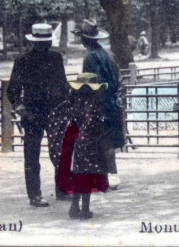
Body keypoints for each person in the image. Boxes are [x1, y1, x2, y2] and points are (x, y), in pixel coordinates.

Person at [7, 22, 69, 207]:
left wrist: (68, 105)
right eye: (42, 42)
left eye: (48, 41)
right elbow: (13, 91)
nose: (46, 45)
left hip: (55, 111)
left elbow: (63, 85)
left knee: (59, 152)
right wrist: (22, 110)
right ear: (34, 42)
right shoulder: (22, 61)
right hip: (32, 113)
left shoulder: (56, 58)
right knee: (32, 156)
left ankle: (62, 189)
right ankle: (34, 195)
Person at [47, 73, 109, 221]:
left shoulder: (72, 102)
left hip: (72, 142)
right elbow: (92, 125)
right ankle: (85, 210)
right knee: (85, 176)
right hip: (86, 143)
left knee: (76, 175)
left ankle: (74, 206)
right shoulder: (93, 105)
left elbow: (56, 114)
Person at [74, 19, 124, 189]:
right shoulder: (108, 54)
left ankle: (104, 177)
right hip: (113, 102)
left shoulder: (89, 56)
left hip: (99, 102)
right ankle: (113, 175)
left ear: (86, 39)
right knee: (109, 140)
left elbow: (89, 82)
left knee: (99, 140)